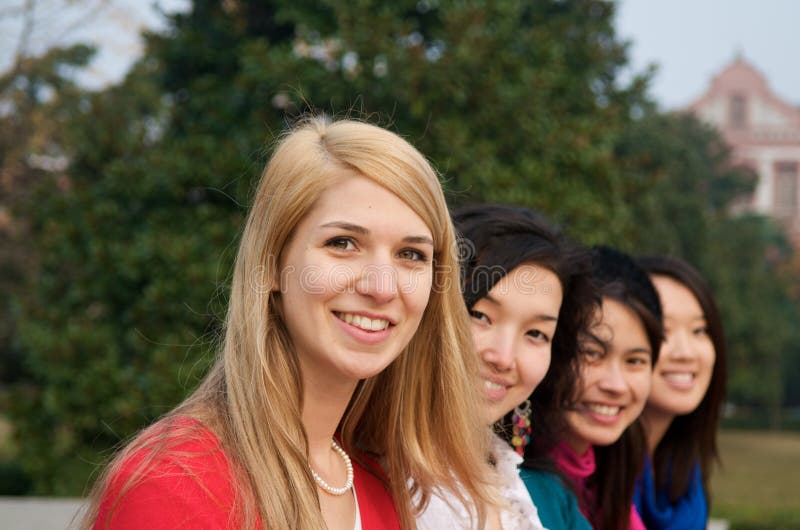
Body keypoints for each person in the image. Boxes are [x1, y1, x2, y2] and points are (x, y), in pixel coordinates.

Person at [81, 116, 497, 530]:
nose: (382, 287)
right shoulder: (177, 484)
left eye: (411, 254)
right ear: (271, 266)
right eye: (343, 243)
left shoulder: (376, 484)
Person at [416, 204, 596, 529]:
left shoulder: (549, 502)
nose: (503, 357)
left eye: (536, 334)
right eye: (480, 315)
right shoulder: (347, 478)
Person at [522, 246, 663, 530]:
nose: (615, 385)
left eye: (635, 361)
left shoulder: (614, 472)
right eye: (591, 354)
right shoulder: (518, 484)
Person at [633, 256, 727, 530]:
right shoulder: (587, 477)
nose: (686, 353)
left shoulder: (684, 477)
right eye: (663, 330)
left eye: (699, 330)